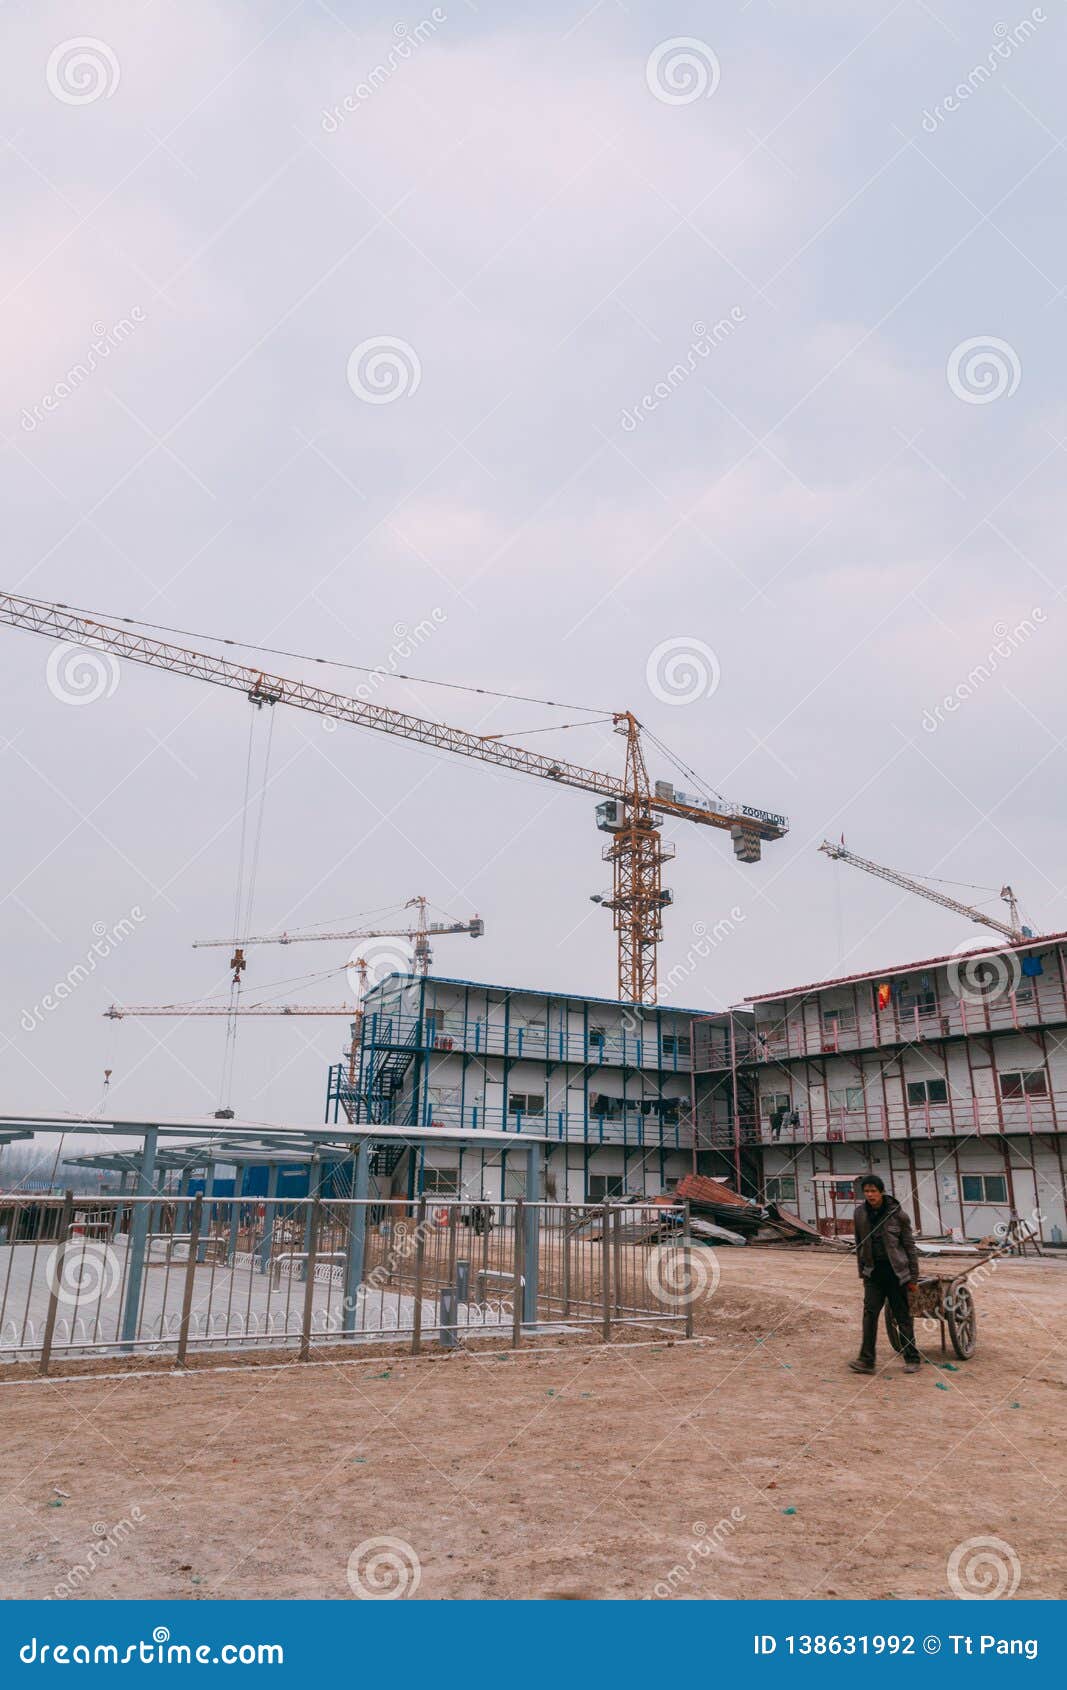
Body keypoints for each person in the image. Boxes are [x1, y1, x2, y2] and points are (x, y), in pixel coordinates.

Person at [849, 1174, 922, 1374]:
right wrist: (862, 1274)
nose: (870, 1195)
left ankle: (912, 1358)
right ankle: (866, 1360)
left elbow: (909, 1247)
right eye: (867, 1191)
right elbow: (859, 1245)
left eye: (873, 1191)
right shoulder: (860, 1214)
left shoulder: (898, 1215)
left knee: (902, 1316)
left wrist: (913, 1278)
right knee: (869, 1315)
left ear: (881, 1192)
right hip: (873, 1274)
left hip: (896, 1274)